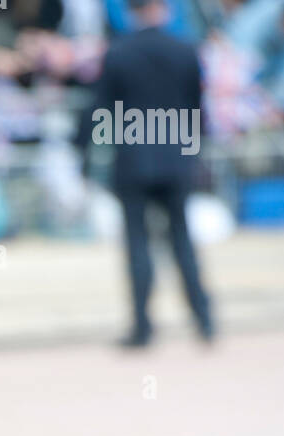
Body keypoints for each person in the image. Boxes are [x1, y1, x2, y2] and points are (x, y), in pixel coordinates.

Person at [76, 0, 215, 346]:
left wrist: (82, 152)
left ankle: (142, 326)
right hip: (176, 160)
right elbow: (198, 111)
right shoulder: (185, 51)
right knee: (181, 241)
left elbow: (100, 110)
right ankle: (204, 320)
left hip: (133, 162)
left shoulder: (119, 53)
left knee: (137, 244)